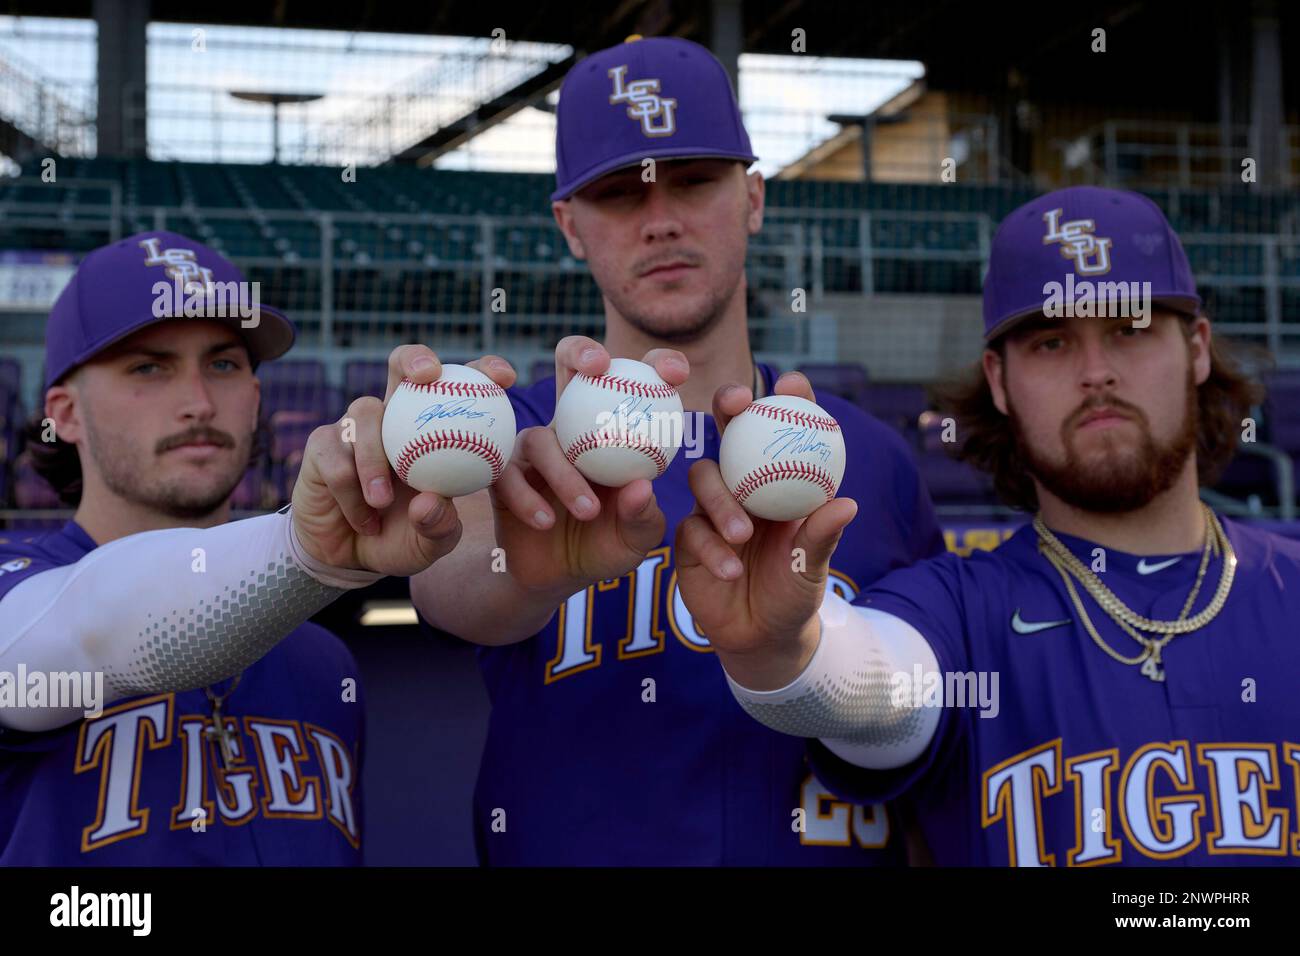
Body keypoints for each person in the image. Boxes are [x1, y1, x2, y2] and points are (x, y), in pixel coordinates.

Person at [410, 36, 943, 865]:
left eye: (695, 182)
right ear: (569, 225)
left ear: (754, 197)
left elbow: (920, 733)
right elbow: (448, 579)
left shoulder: (867, 455)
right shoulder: (516, 436)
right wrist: (523, 569)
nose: (661, 219)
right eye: (621, 194)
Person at [674, 185, 1300, 866]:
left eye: (1130, 330)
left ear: (1198, 348)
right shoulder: (960, 611)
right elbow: (877, 685)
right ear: (999, 381)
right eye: (1053, 341)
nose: (1097, 373)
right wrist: (782, 650)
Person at [0, 231, 501, 864]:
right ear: (64, 413)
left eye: (224, 364)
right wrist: (305, 554)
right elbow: (86, 629)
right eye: (148, 367)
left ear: (256, 397)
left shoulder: (325, 664)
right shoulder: (16, 596)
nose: (199, 402)